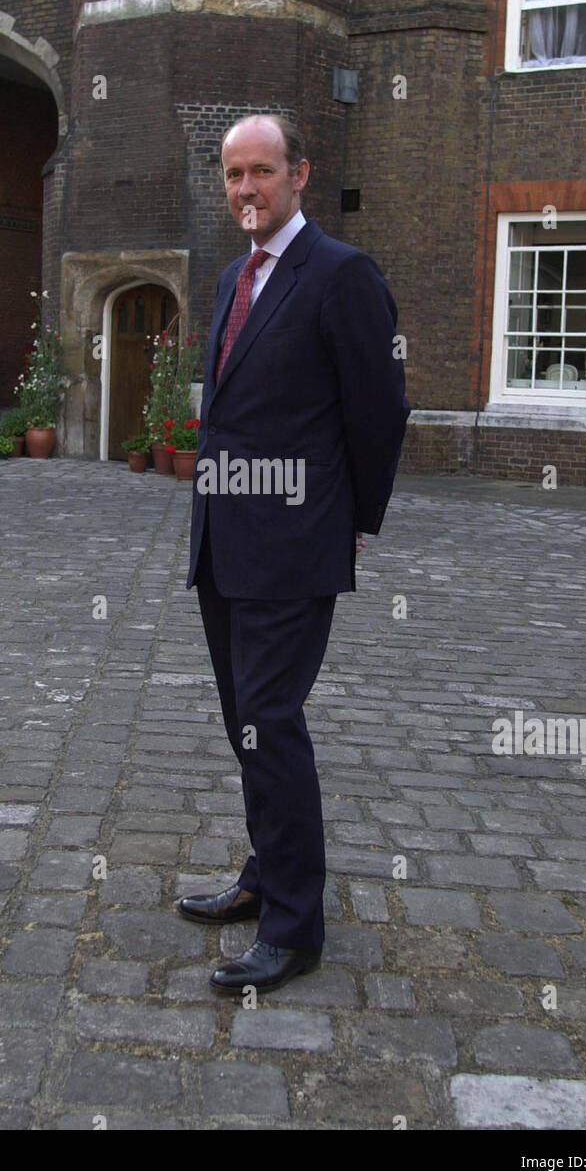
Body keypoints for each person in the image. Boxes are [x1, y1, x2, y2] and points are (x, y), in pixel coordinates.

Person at [178, 113, 410, 993]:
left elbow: (378, 412)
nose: (245, 189)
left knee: (272, 724)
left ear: (300, 174)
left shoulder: (343, 275)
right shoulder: (236, 275)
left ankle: (294, 926)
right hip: (224, 542)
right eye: (234, 174)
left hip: (293, 547)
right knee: (247, 725)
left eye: (262, 172)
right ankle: (264, 874)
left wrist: (354, 519)